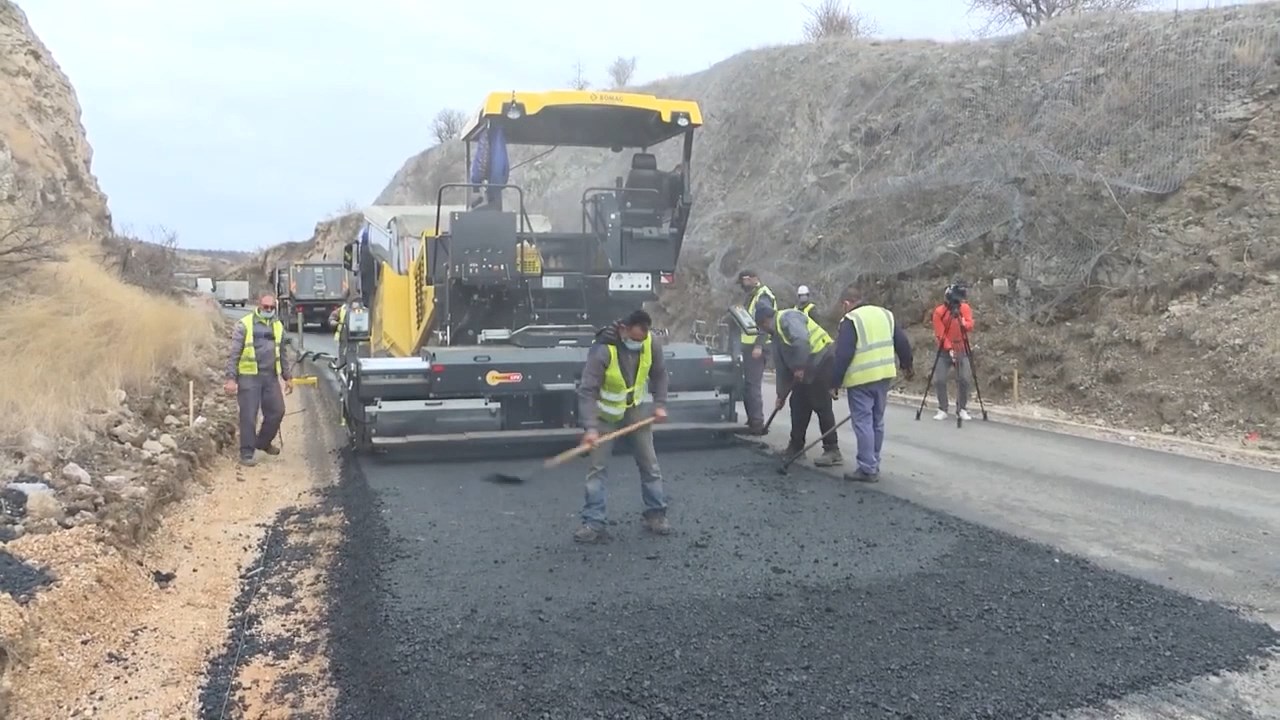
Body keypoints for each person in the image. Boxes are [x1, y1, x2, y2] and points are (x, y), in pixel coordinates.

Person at [573, 309, 671, 544]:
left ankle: (656, 514)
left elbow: (659, 375)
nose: (639, 343)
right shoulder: (602, 350)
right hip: (606, 415)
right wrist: (590, 428)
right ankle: (594, 522)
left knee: (650, 464)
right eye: (635, 338)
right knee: (597, 469)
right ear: (624, 329)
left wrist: (660, 404)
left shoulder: (651, 342)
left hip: (636, 412)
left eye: (643, 338)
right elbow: (587, 391)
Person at [830, 284, 913, 482]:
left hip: (861, 380)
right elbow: (902, 342)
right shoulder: (885, 314)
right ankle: (873, 461)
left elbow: (843, 354)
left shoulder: (851, 320)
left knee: (863, 422)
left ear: (847, 303)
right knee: (877, 421)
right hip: (884, 375)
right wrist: (907, 365)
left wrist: (835, 383)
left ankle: (867, 468)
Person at [756, 305, 842, 467]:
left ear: (765, 321)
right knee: (798, 404)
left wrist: (800, 367)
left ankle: (832, 450)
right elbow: (782, 369)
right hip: (806, 366)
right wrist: (781, 396)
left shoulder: (788, 318)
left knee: (820, 403)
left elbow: (802, 341)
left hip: (822, 359)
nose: (764, 330)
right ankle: (796, 446)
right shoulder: (776, 337)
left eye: (762, 327)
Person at [224, 294, 293, 466]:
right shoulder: (245, 325)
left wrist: (287, 376)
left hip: (270, 377)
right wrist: (231, 379)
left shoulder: (278, 326)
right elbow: (234, 354)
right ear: (259, 306)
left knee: (277, 411)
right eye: (265, 307)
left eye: (271, 308)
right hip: (249, 377)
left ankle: (262, 443)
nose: (268, 310)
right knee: (248, 415)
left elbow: (282, 353)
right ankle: (246, 453)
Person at [737, 270, 775, 435]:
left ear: (754, 279)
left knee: (752, 385)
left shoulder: (762, 297)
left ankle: (757, 423)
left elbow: (765, 322)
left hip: (756, 347)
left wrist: (759, 345)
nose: (742, 285)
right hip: (749, 346)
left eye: (744, 281)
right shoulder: (752, 295)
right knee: (748, 385)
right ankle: (752, 419)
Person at [930, 283, 975, 422]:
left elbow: (970, 324)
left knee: (965, 379)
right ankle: (942, 408)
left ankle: (961, 408)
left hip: (962, 348)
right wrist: (949, 349)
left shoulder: (965, 308)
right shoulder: (939, 312)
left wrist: (963, 323)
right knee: (940, 379)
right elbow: (940, 333)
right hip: (944, 351)